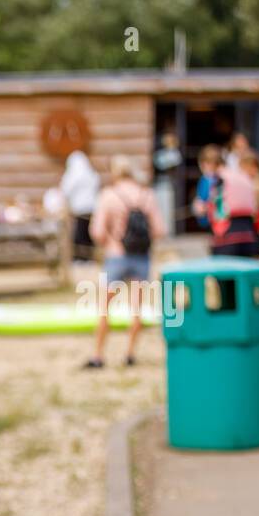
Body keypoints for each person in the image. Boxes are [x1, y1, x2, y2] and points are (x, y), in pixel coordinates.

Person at [84, 155, 166, 369]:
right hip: (142, 256)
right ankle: (130, 354)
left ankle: (98, 355)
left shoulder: (108, 195)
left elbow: (97, 232)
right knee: (136, 308)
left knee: (104, 308)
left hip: (115, 256)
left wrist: (111, 241)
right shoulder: (147, 195)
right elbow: (160, 230)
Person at [208, 160, 259, 258]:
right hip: (249, 233)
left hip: (228, 236)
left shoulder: (221, 178)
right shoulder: (243, 177)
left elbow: (217, 207)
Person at [60, 150, 100, 261]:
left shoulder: (73, 175)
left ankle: (80, 257)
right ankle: (89, 256)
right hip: (92, 208)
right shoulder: (91, 174)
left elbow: (65, 190)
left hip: (80, 209)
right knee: (88, 233)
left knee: (80, 233)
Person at [192, 144, 222, 229]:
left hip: (210, 217)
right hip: (219, 218)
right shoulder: (222, 177)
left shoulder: (206, 179)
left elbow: (202, 198)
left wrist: (199, 206)